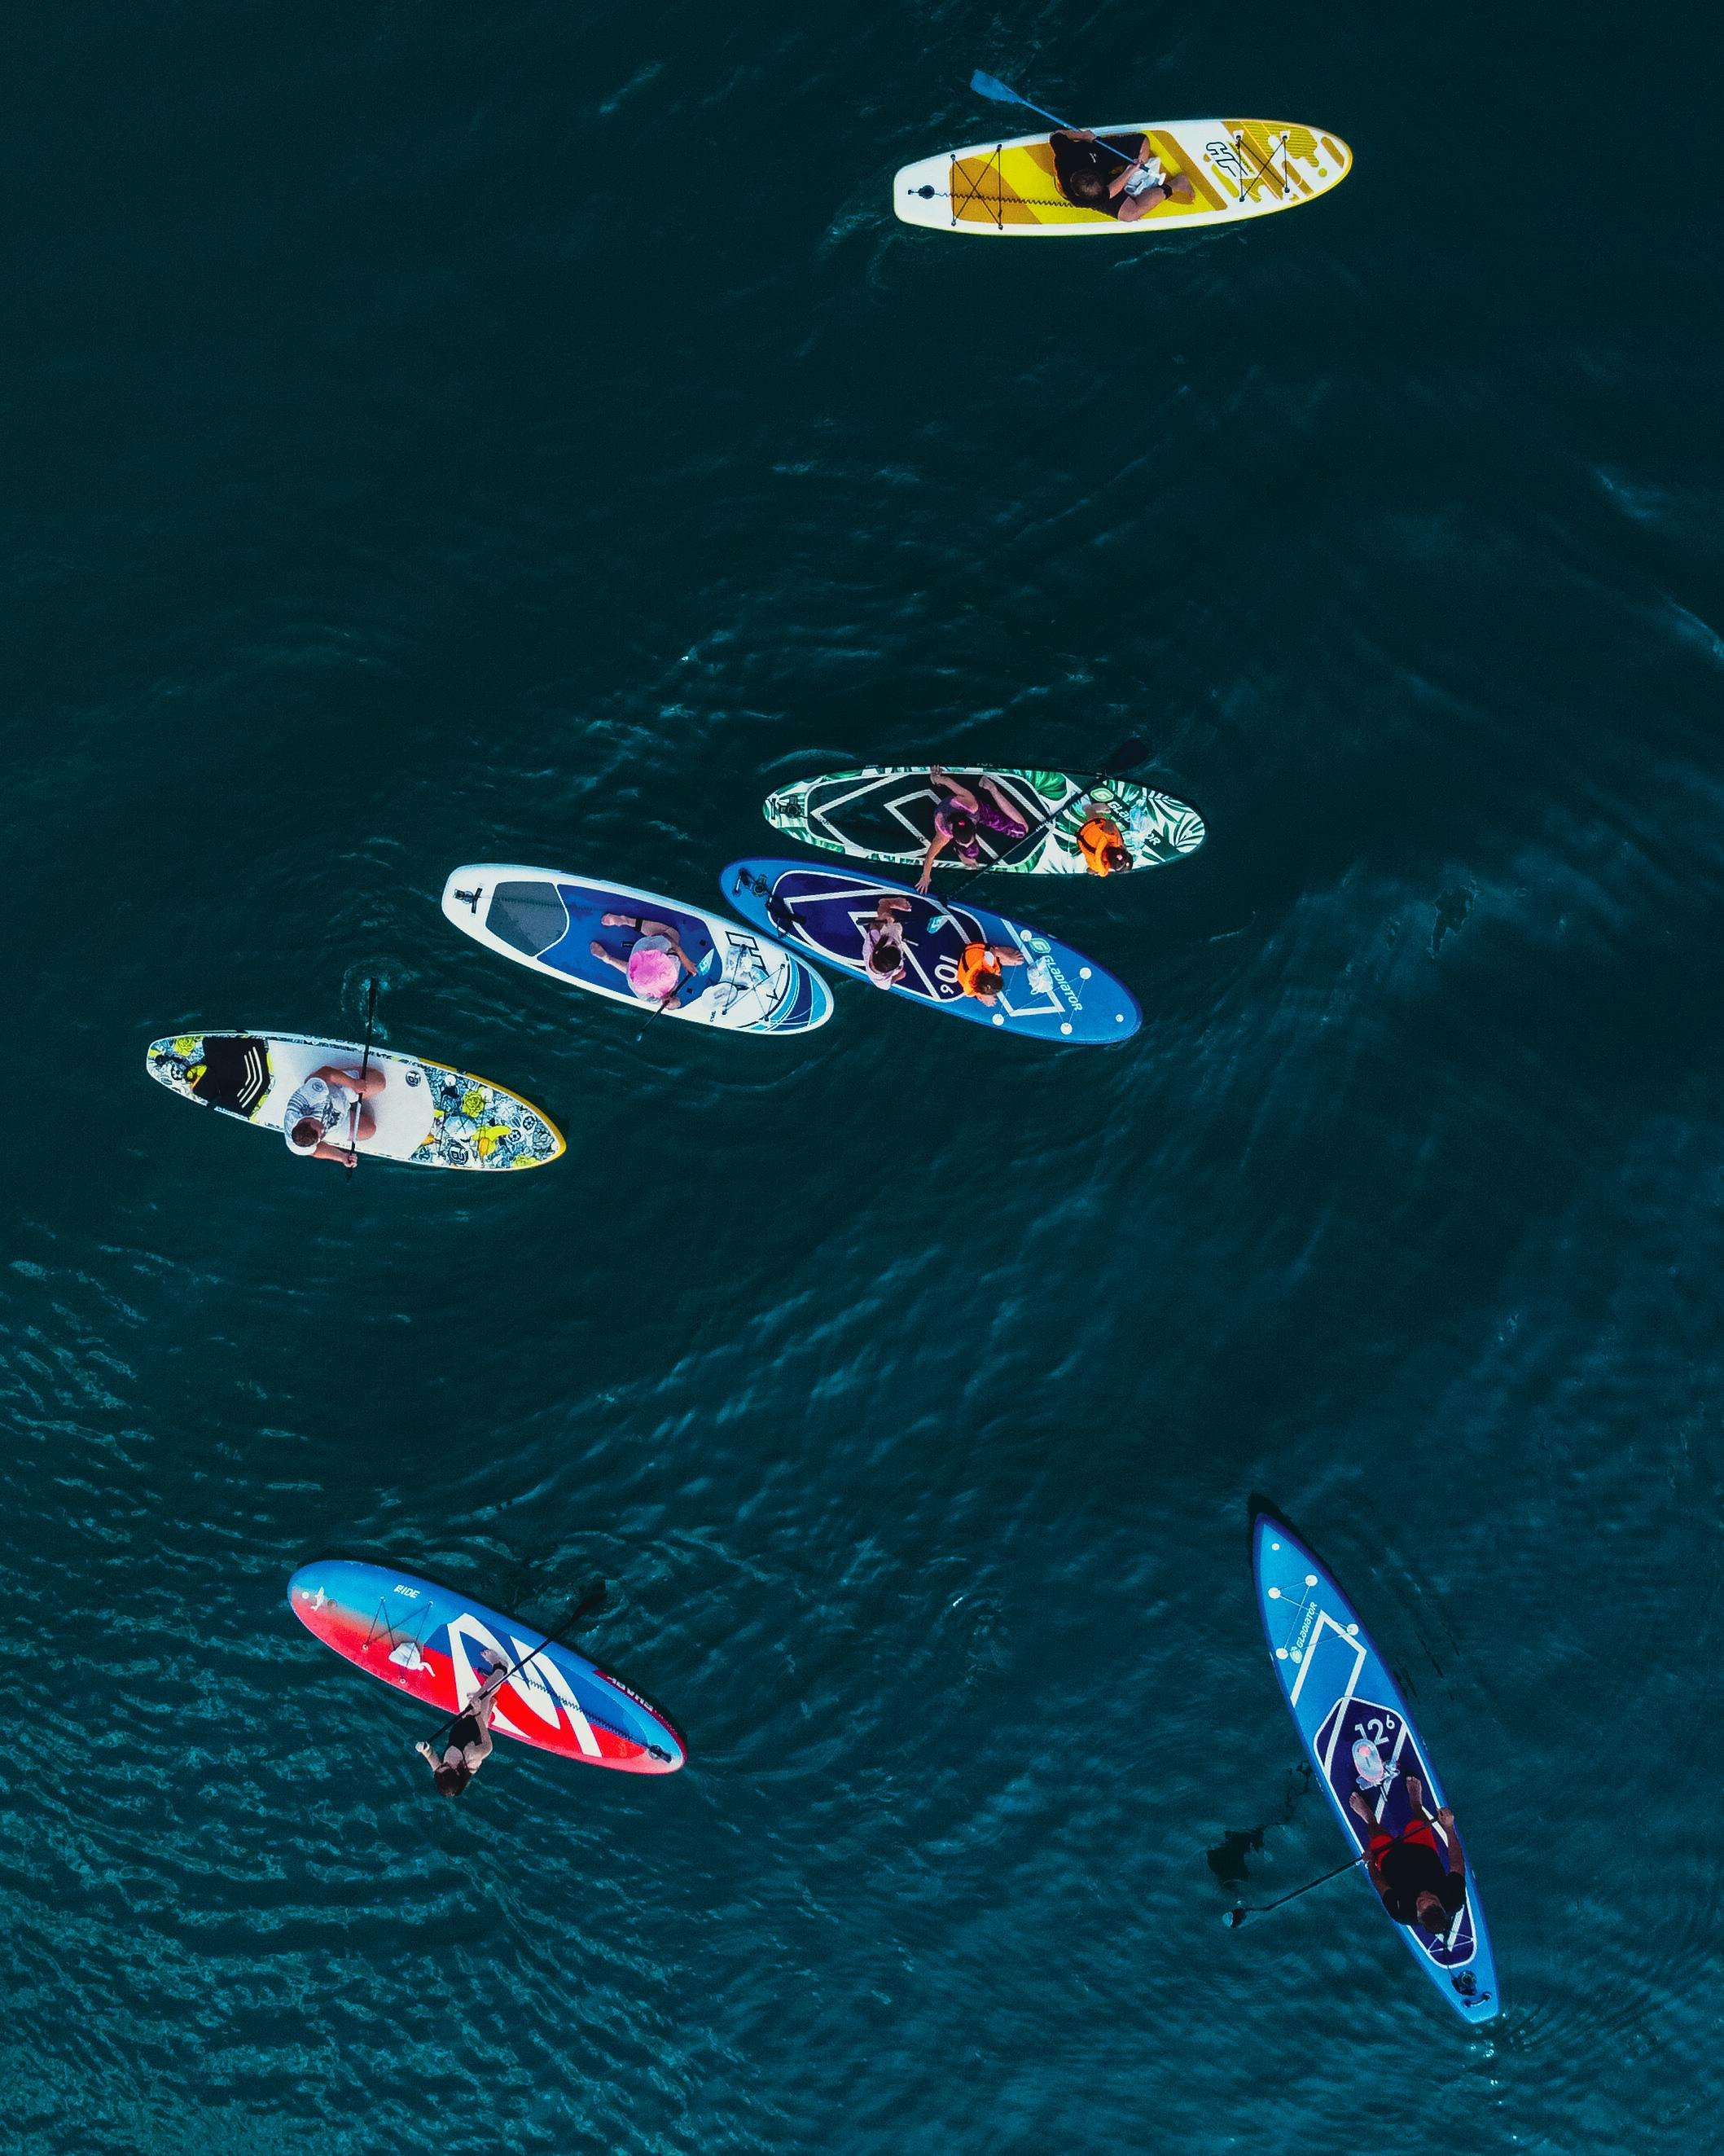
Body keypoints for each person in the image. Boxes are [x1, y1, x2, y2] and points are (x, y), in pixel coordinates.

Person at [1349, 1774, 1468, 1936]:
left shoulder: (1401, 1913)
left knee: (1377, 1836)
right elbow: (1457, 1864)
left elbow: (1382, 1886)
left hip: (1392, 1864)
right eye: (1431, 1896)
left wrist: (1370, 1862)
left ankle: (1369, 1818)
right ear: (1441, 1906)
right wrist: (1448, 1828)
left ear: (1418, 1915)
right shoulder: (1455, 1898)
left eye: (1420, 1900)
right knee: (1419, 1822)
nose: (1423, 1893)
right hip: (1424, 1855)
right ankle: (1416, 1803)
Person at [415, 1649, 515, 1798]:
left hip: (462, 1731)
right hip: (475, 1729)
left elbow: (431, 1756)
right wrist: (477, 1715)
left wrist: (425, 1749)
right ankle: (500, 1668)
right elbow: (488, 1746)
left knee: (481, 1702)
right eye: (445, 1765)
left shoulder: (443, 1772)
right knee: (484, 1694)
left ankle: (489, 1704)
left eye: (440, 1767)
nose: (441, 1764)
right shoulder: (471, 1756)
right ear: (455, 1771)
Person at [915, 766, 1031, 891]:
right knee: (972, 852)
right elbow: (930, 857)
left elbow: (948, 781)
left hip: (963, 810)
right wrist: (926, 876)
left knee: (1022, 831)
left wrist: (935, 778)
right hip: (954, 810)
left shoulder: (972, 806)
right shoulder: (943, 835)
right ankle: (961, 853)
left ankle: (992, 789)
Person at [1050, 130, 1195, 222]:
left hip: (1092, 156)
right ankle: (1177, 184)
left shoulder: (1068, 151)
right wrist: (1129, 172)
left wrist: (1083, 136)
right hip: (1095, 177)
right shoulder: (1082, 199)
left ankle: (1130, 176)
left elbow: (1056, 135)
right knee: (1131, 214)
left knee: (1143, 143)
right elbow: (1109, 192)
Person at [283, 1060, 387, 1166]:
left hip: (336, 1091)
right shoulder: (297, 1145)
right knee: (369, 1130)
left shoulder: (310, 1096)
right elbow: (314, 1151)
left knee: (379, 1082)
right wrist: (342, 1157)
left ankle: (316, 1080)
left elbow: (327, 1072)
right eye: (321, 1134)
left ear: (304, 1121)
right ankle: (351, 1109)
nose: (323, 1128)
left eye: (319, 1126)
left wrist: (354, 1083)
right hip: (336, 1120)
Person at [590, 911, 698, 1008]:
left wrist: (684, 959)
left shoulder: (667, 960)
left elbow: (668, 938)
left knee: (673, 934)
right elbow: (676, 1003)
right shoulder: (644, 994)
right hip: (633, 976)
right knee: (632, 971)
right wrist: (673, 1003)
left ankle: (626, 921)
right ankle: (608, 959)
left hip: (641, 950)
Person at [954, 937, 1024, 1008]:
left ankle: (1000, 953)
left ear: (990, 974)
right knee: (1018, 961)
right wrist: (986, 996)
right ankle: (1000, 961)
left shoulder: (987, 963)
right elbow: (983, 991)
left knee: (1018, 960)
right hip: (969, 963)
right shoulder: (971, 990)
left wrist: (1010, 957)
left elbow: (994, 951)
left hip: (975, 950)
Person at [862, 894, 912, 988]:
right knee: (896, 930)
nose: (894, 944)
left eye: (891, 945)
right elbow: (889, 985)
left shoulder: (872, 943)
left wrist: (884, 918)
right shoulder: (883, 982)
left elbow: (874, 925)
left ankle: (888, 903)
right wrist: (897, 977)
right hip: (895, 937)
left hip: (885, 934)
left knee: (885, 914)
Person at [1077, 805, 1134, 877]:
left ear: (1123, 849)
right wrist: (1098, 869)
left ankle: (1089, 809)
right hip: (1081, 837)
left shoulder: (1112, 837)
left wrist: (1120, 839)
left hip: (1090, 827)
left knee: (1099, 824)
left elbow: (1110, 822)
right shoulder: (1099, 866)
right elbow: (1089, 871)